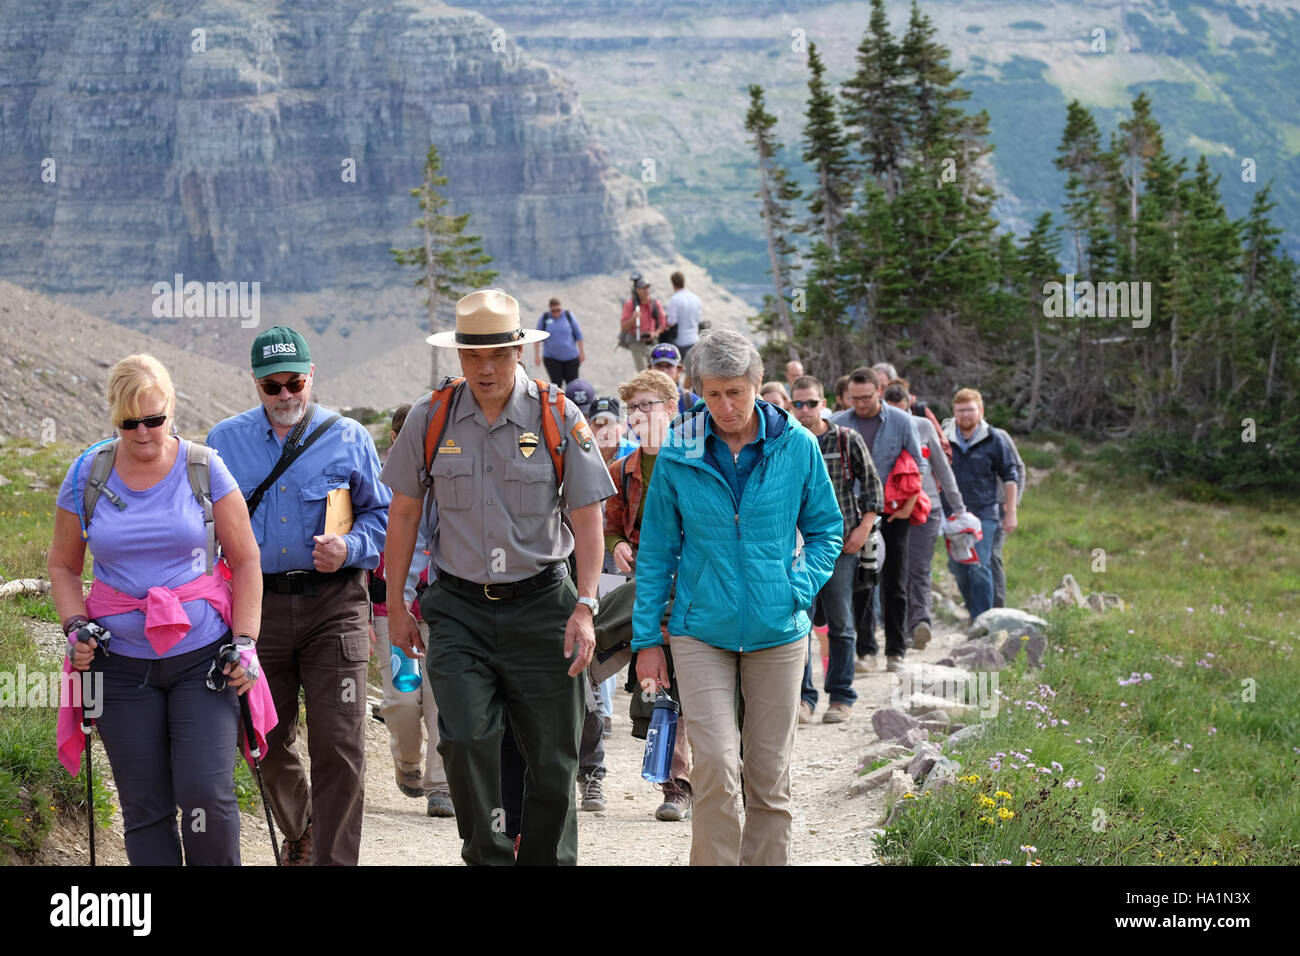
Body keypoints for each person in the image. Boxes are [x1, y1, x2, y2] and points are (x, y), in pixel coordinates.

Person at [381, 289, 616, 866]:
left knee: (554, 758)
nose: (484, 368)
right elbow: (405, 513)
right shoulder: (430, 416)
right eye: (472, 355)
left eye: (497, 355)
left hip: (544, 606)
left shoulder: (559, 414)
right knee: (462, 740)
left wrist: (586, 606)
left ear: (520, 352)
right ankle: (486, 855)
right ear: (458, 355)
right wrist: (395, 603)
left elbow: (589, 521)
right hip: (458, 608)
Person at [633, 329, 842, 866]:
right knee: (718, 771)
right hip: (700, 630)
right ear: (697, 390)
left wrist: (795, 587)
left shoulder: (798, 445)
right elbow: (656, 551)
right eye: (712, 393)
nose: (725, 406)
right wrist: (646, 641)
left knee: (769, 779)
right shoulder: (678, 451)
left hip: (779, 632)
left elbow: (827, 531)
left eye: (736, 392)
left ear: (757, 385)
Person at [49, 354, 263, 865]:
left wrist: (247, 643)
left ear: (172, 410)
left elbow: (247, 558)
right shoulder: (88, 473)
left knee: (205, 797)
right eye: (129, 423)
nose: (143, 432)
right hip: (118, 666)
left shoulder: (204, 466)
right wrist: (76, 627)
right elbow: (61, 566)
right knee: (144, 807)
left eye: (154, 419)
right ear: (114, 417)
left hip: (204, 660)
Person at [207, 326, 391, 866]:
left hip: (334, 606)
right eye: (273, 386)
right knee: (257, 734)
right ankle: (306, 825)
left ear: (312, 376)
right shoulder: (223, 442)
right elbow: (202, 523)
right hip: (254, 609)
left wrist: (352, 545)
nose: (286, 396)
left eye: (295, 383)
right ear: (256, 384)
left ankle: (332, 860)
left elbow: (384, 518)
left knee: (340, 744)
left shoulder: (350, 436)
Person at [604, 369, 695, 821]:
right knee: (656, 683)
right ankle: (672, 784)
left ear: (672, 409)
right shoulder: (624, 468)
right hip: (647, 589)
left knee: (689, 680)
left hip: (696, 588)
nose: (638, 415)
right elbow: (609, 521)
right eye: (632, 408)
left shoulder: (695, 460)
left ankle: (691, 782)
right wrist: (616, 544)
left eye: (647, 405)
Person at [368, 405, 453, 818]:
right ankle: (407, 763)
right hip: (391, 608)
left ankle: (441, 786)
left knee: (441, 699)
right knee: (403, 699)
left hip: (443, 608)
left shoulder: (449, 481)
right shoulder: (379, 489)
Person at [789, 375, 881, 724]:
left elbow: (872, 487)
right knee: (799, 622)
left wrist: (863, 528)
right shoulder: (786, 441)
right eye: (798, 403)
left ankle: (841, 696)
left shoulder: (846, 439)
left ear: (823, 402)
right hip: (798, 548)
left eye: (811, 403)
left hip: (841, 546)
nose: (805, 410)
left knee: (841, 621)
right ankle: (802, 698)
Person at [831, 367, 924, 672]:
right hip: (855, 511)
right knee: (862, 582)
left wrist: (909, 505)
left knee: (895, 580)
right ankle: (866, 650)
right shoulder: (839, 423)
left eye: (866, 397)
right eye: (853, 398)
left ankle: (896, 650)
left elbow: (917, 462)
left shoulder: (901, 421)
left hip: (895, 509)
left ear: (879, 392)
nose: (859, 403)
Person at [884, 381, 965, 648]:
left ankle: (921, 622)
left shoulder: (924, 427)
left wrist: (959, 507)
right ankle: (899, 626)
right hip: (891, 510)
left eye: (901, 409)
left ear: (909, 405)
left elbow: (943, 469)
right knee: (896, 569)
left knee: (918, 567)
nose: (897, 416)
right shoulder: (879, 431)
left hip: (926, 508)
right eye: (891, 409)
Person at [942, 388, 1019, 622]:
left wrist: (1011, 511)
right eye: (960, 410)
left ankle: (982, 620)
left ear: (981, 411)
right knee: (958, 567)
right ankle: (972, 607)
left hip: (985, 510)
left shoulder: (994, 438)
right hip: (952, 512)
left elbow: (1010, 475)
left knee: (980, 564)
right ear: (954, 412)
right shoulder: (944, 437)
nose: (965, 415)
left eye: (970, 410)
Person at [989, 425, 1025, 608]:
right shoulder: (956, 437)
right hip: (973, 508)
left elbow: (1019, 468)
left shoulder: (1000, 436)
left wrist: (1013, 504)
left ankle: (998, 606)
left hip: (1000, 505)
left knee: (993, 554)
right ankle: (978, 604)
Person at [533, 297, 585, 388]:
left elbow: (578, 335)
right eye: (553, 311)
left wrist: (582, 352)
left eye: (558, 310)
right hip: (552, 358)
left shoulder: (568, 316)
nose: (556, 313)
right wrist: (537, 355)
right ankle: (559, 402)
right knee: (556, 386)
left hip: (571, 358)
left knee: (573, 386)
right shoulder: (545, 318)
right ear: (550, 310)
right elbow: (537, 337)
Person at [620, 276, 668, 372]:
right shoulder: (630, 305)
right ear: (637, 290)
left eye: (647, 288)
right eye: (643, 288)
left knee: (655, 369)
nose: (646, 291)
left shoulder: (655, 303)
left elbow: (663, 324)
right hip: (635, 340)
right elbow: (623, 326)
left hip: (652, 341)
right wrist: (633, 319)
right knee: (642, 370)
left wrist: (654, 334)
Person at [665, 270, 703, 384]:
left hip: (679, 341)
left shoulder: (675, 300)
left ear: (673, 284)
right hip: (694, 339)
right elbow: (698, 320)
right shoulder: (696, 299)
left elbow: (672, 321)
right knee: (692, 373)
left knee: (675, 372)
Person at [649, 342, 702, 414]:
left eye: (668, 366)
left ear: (679, 370)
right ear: (649, 369)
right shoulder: (637, 401)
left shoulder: (691, 402)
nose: (663, 370)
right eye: (658, 366)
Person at [590, 396, 638, 464]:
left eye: (610, 425)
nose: (604, 432)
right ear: (589, 428)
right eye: (599, 425)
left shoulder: (637, 454)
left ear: (624, 426)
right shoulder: (581, 454)